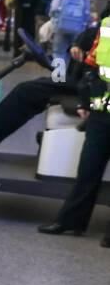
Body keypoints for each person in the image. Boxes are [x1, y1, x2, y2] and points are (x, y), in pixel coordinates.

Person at [38, 14, 109, 245]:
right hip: (101, 112)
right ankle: (71, 220)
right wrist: (86, 102)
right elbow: (94, 68)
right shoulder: (107, 25)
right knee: (88, 169)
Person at [0, 25, 99, 151]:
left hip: (94, 86)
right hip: (87, 81)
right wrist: (78, 44)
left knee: (26, 91)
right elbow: (94, 32)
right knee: (35, 87)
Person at [49, 0, 96, 64]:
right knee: (76, 52)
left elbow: (53, 8)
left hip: (60, 27)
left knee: (59, 52)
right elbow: (87, 12)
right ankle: (71, 75)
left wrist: (54, 21)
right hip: (78, 29)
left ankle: (59, 76)